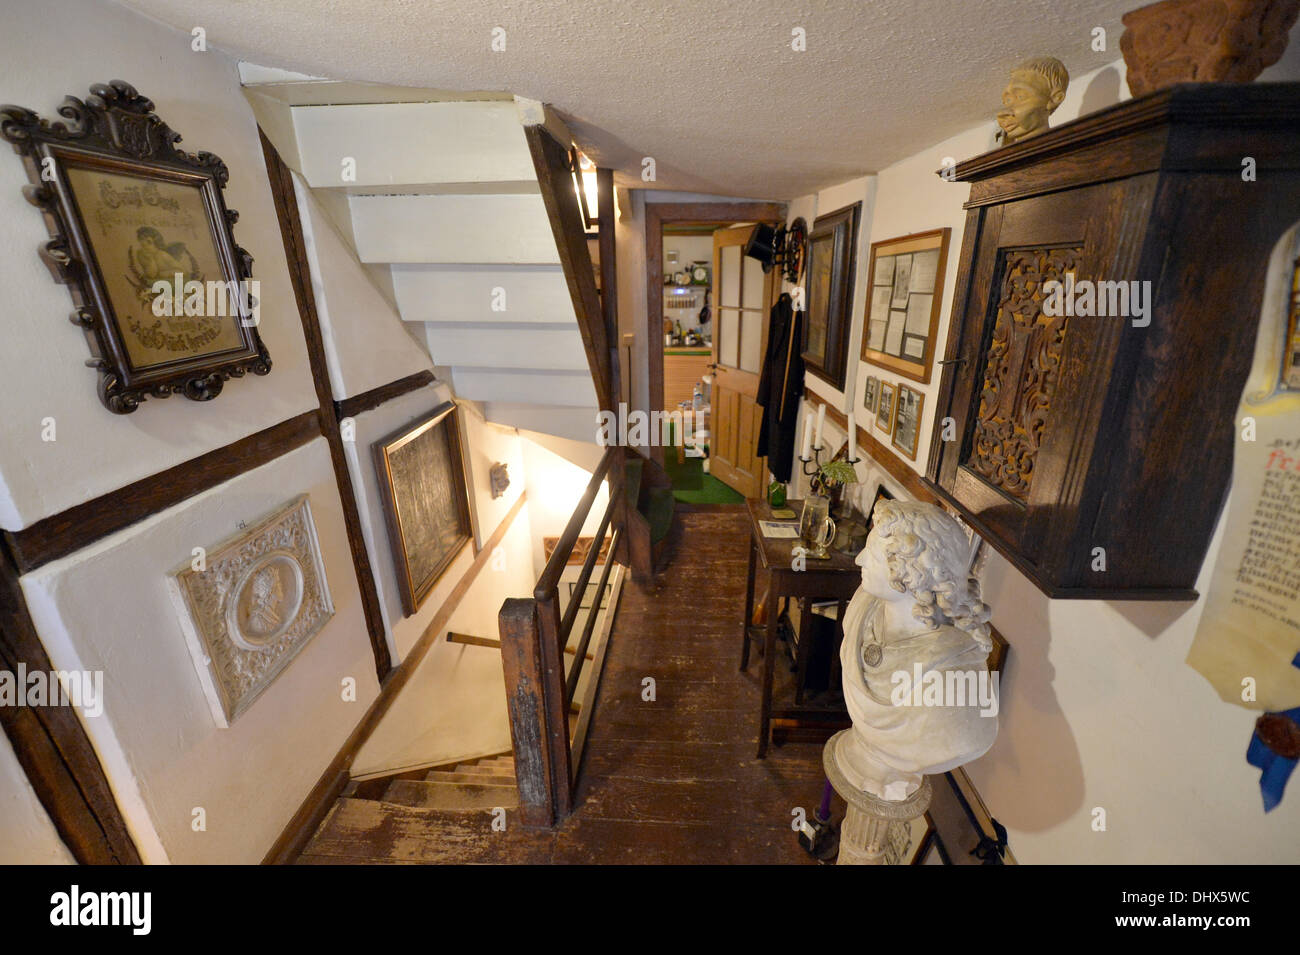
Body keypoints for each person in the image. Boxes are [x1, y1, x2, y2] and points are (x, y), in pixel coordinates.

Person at [836, 499, 998, 801]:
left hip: (894, 778)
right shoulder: (866, 604)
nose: (859, 560)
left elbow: (968, 739)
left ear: (912, 573)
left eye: (871, 555)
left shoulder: (959, 684)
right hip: (859, 754)